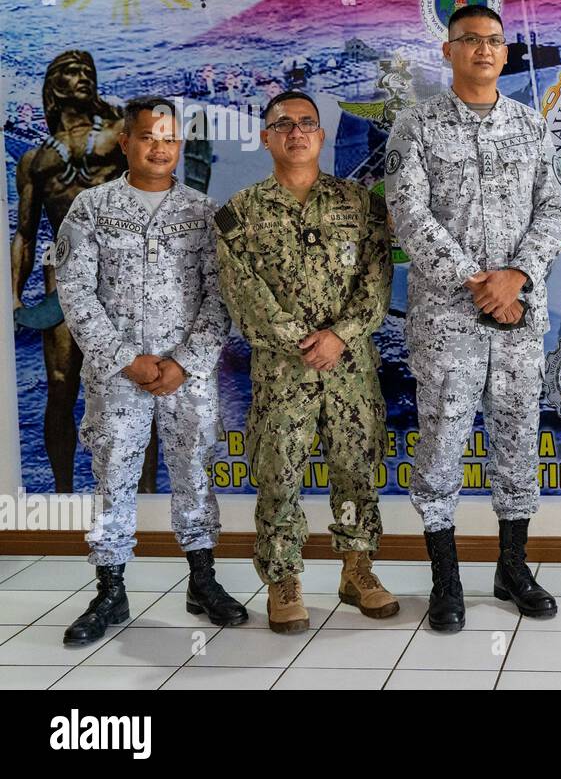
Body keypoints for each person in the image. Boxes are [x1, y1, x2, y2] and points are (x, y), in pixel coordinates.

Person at [386, 5, 561, 633]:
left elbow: (554, 207)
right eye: (471, 41)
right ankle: (446, 578)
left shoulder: (531, 126)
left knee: (518, 442)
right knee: (441, 447)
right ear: (448, 50)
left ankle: (512, 567)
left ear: (504, 52)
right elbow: (409, 216)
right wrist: (476, 281)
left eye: (494, 42)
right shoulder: (416, 126)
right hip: (447, 321)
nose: (485, 51)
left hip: (519, 317)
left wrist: (514, 277)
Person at [55, 96, 245, 644]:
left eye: (168, 138)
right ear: (126, 141)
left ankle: (202, 581)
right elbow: (76, 293)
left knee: (195, 474)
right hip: (118, 376)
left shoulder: (205, 213)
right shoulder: (91, 209)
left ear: (179, 144)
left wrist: (185, 362)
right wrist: (125, 359)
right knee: (113, 476)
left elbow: (221, 298)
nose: (159, 147)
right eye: (147, 137)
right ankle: (110, 591)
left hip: (189, 376)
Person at [215, 90, 397, 634]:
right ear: (266, 137)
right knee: (279, 475)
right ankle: (284, 577)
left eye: (307, 123)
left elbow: (377, 279)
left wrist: (339, 336)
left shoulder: (362, 204)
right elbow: (242, 292)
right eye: (283, 124)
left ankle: (357, 567)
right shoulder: (240, 212)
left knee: (356, 470)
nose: (296, 132)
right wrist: (304, 340)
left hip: (350, 369)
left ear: (319, 135)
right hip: (281, 372)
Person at [11, 51, 162, 492]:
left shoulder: (119, 134)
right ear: (55, 85)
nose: (83, 80)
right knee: (61, 386)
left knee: (140, 386)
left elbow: (159, 151)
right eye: (73, 73)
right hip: (63, 280)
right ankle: (62, 496)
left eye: (88, 74)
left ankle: (147, 494)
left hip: (125, 275)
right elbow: (24, 232)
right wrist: (15, 296)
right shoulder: (35, 161)